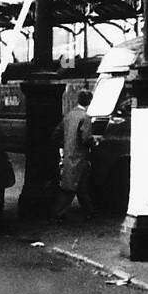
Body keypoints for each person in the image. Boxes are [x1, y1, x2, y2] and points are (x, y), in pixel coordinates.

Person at [53, 89, 96, 222]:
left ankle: (90, 212)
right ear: (89, 101)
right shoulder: (85, 117)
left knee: (74, 186)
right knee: (74, 188)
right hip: (80, 157)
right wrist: (95, 142)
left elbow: (56, 133)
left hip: (68, 155)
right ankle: (58, 213)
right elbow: (86, 138)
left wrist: (66, 144)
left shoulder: (69, 115)